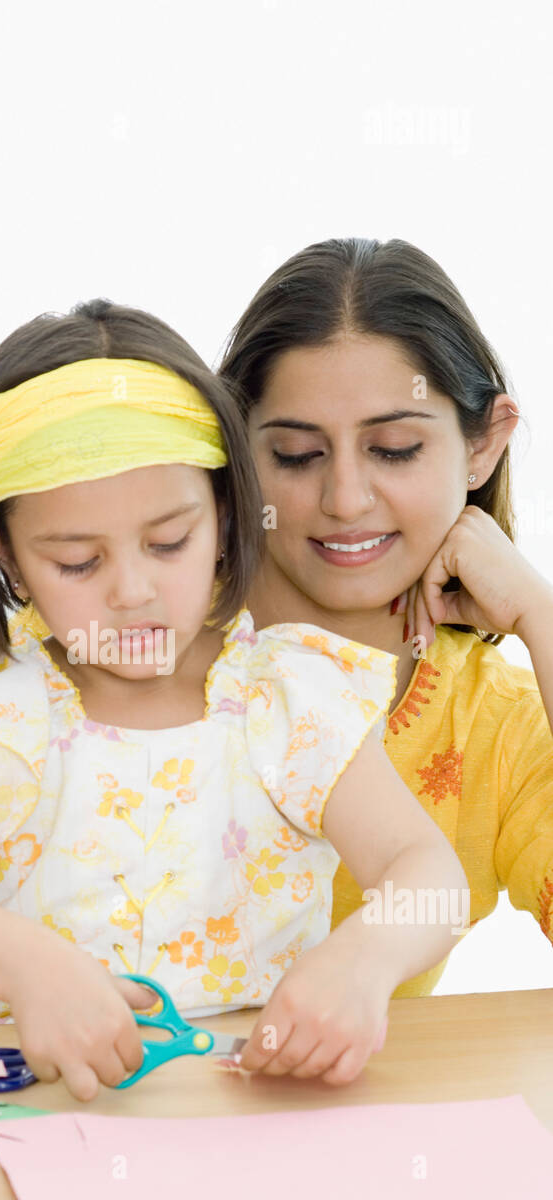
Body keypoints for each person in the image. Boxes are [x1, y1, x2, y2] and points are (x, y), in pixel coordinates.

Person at [0, 298, 467, 1099]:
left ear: (224, 512)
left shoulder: (289, 696)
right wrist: (30, 967)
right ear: (3, 551)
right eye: (76, 561)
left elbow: (424, 871)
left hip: (249, 1112)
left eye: (168, 542)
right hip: (20, 1117)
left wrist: (362, 961)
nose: (132, 591)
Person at [217, 236, 553, 998]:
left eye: (394, 449)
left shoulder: (494, 727)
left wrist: (541, 612)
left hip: (348, 1114)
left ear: (482, 445)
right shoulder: (127, 646)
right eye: (298, 455)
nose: (344, 499)